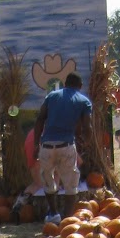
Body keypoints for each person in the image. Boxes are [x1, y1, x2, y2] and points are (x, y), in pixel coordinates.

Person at [34, 70, 93, 217]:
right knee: (71, 184)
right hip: (66, 145)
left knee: (48, 180)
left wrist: (36, 144)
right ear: (80, 86)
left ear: (65, 84)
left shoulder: (51, 96)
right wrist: (87, 143)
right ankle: (67, 220)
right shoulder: (83, 101)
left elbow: (40, 119)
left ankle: (53, 213)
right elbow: (87, 127)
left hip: (47, 145)